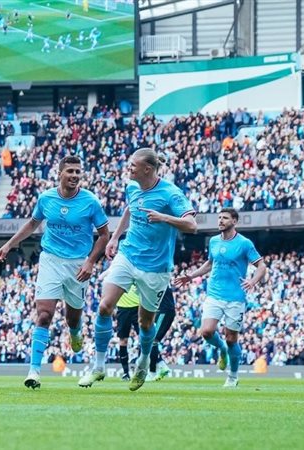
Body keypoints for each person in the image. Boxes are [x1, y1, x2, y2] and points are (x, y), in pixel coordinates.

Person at [79, 148, 197, 392]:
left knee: (145, 323)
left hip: (156, 267)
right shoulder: (132, 187)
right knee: (104, 306)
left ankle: (143, 361)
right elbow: (130, 209)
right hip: (128, 255)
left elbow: (192, 224)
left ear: (147, 169)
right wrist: (114, 238)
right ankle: (98, 366)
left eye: (133, 165)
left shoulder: (171, 194)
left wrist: (165, 218)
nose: (129, 168)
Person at [0, 155, 110, 389]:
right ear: (59, 174)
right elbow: (32, 223)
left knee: (72, 318)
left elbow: (104, 235)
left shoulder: (90, 201)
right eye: (70, 171)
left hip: (78, 264)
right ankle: (34, 371)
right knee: (44, 315)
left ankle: (75, 333)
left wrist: (90, 262)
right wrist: (9, 245)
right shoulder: (46, 198)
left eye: (78, 172)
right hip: (50, 260)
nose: (75, 176)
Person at [174, 208, 266, 387]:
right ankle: (221, 348)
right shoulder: (214, 241)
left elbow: (262, 266)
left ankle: (233, 376)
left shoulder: (244, 243)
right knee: (206, 332)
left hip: (235, 297)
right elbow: (210, 263)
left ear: (234, 221)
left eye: (225, 218)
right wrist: (191, 276)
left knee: (231, 338)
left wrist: (252, 281)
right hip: (214, 294)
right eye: (219, 217)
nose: (221, 220)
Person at [115, 285, 140, 381]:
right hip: (123, 308)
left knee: (144, 339)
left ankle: (141, 370)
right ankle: (126, 372)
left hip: (138, 307)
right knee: (123, 340)